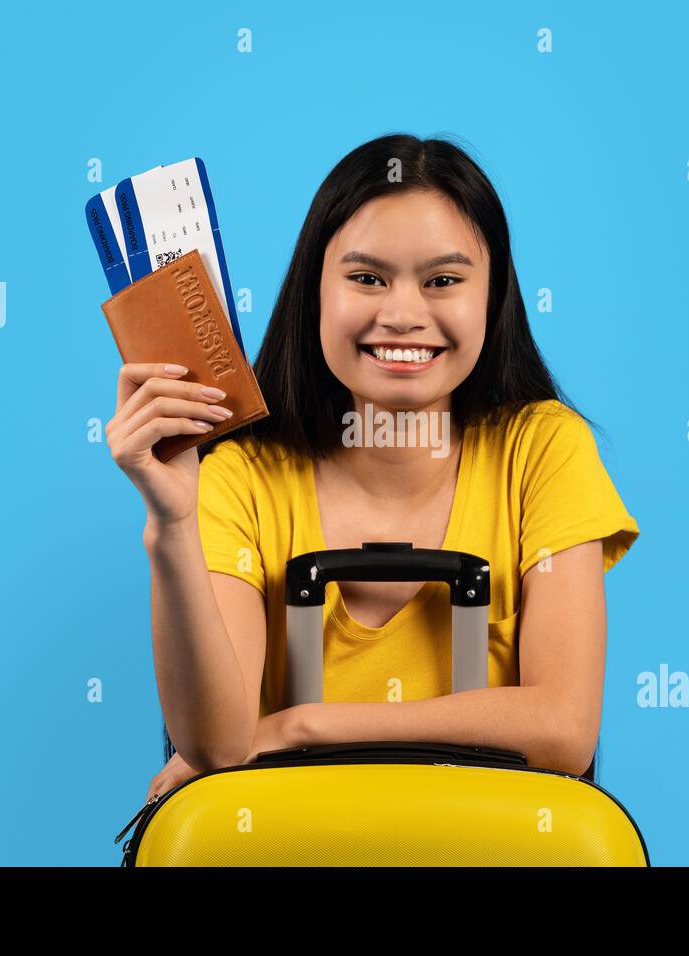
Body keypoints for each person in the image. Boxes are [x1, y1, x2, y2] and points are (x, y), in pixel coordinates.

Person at [106, 133, 640, 803]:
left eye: (443, 280)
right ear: (314, 296)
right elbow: (216, 744)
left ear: (493, 297)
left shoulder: (544, 450)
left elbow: (564, 730)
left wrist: (300, 726)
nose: (402, 315)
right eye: (366, 278)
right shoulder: (244, 475)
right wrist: (171, 522)